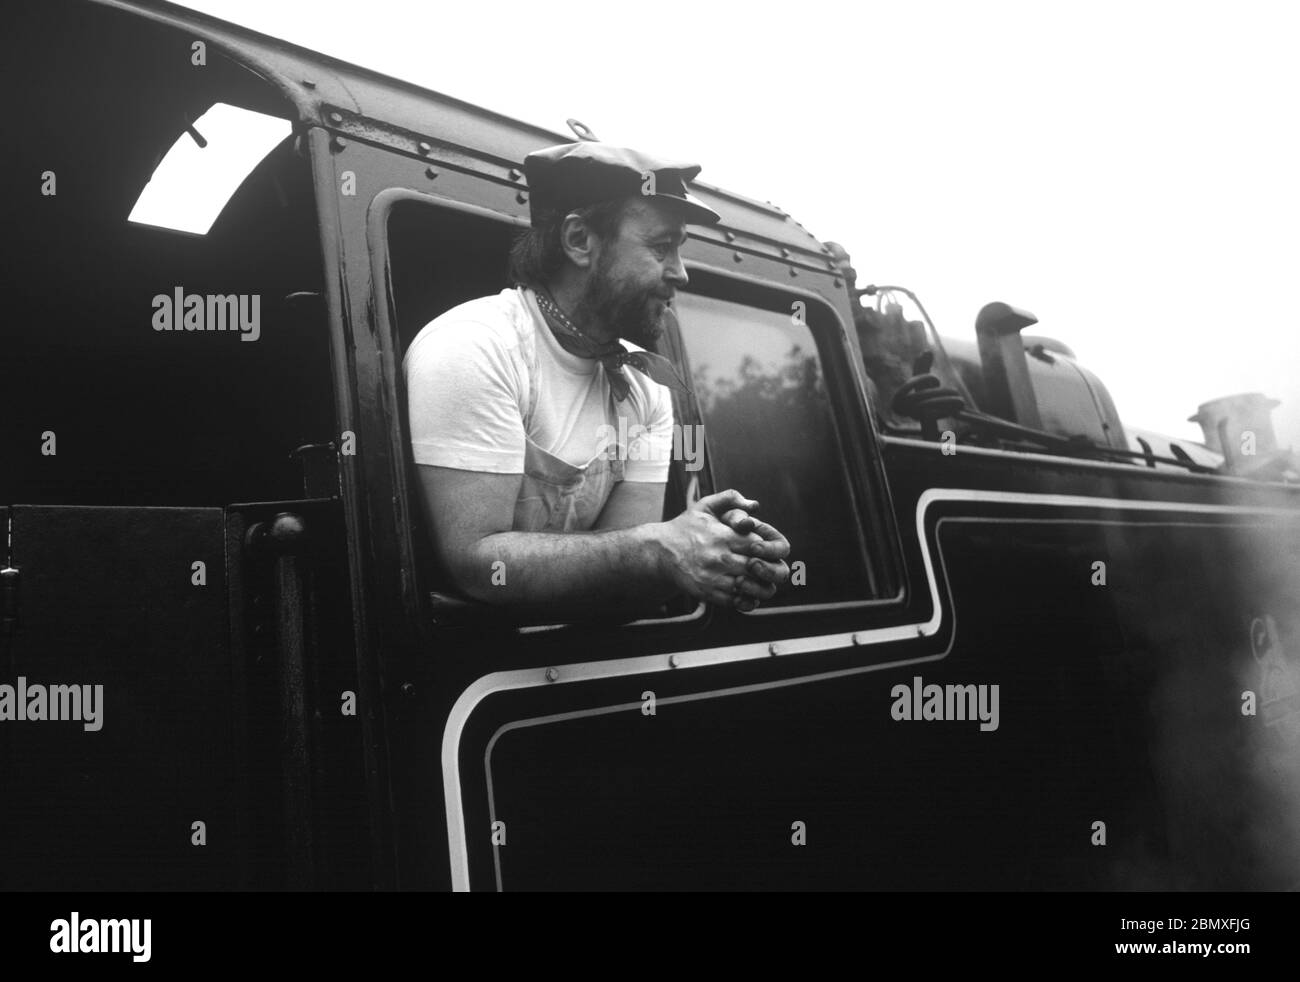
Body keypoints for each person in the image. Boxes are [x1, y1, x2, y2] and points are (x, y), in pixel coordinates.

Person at [403, 140, 790, 617]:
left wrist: (718, 552)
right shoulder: (475, 345)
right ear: (580, 241)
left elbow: (620, 571)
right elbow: (477, 563)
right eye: (661, 247)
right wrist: (658, 548)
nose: (681, 274)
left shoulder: (647, 385)